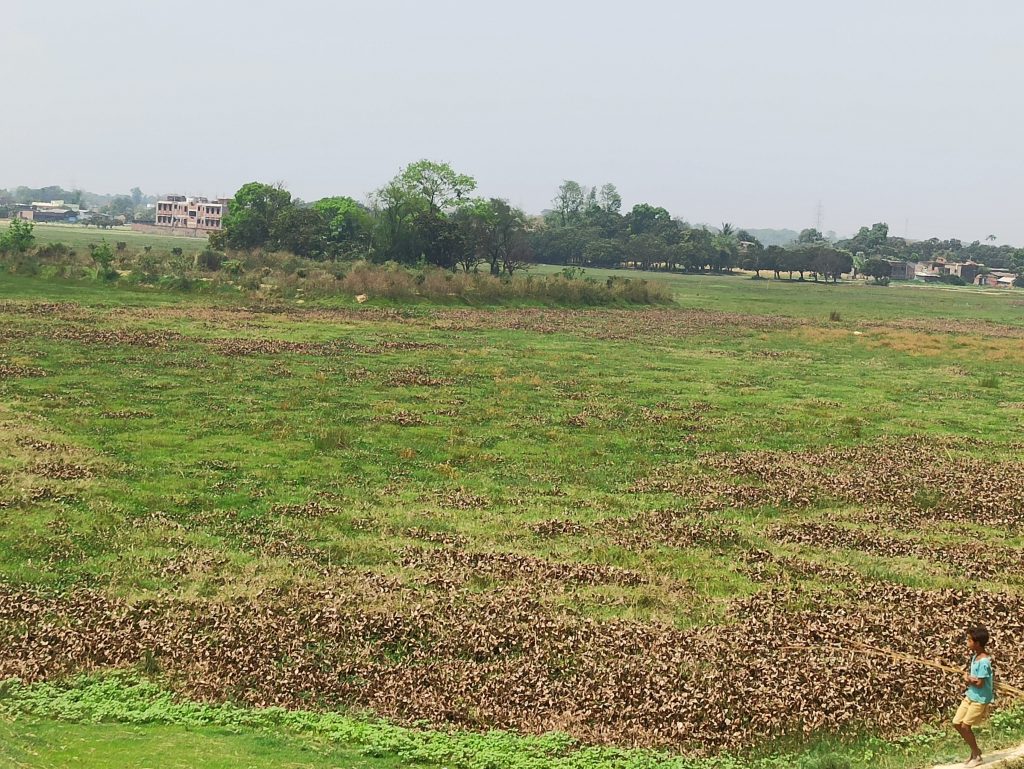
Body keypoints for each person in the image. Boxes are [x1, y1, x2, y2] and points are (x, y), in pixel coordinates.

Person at [953, 625, 995, 768]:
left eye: (969, 640)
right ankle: (975, 751)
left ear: (977, 643)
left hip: (980, 698)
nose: (967, 642)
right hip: (971, 695)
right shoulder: (975, 657)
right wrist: (970, 679)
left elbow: (979, 683)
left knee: (965, 726)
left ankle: (976, 755)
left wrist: (967, 679)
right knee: (956, 722)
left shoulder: (984, 662)